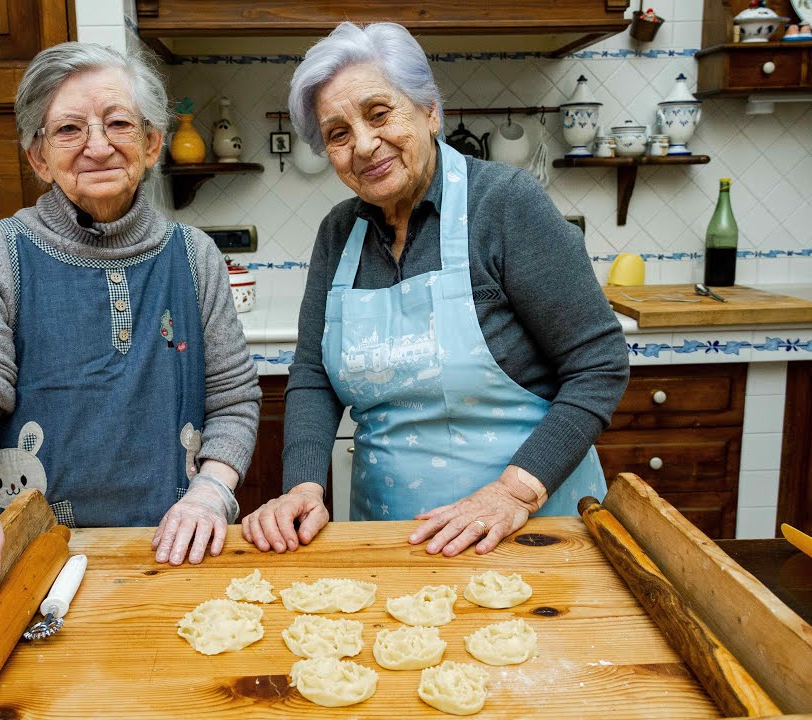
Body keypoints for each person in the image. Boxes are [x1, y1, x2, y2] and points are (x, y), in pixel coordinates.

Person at [241, 22, 628, 559]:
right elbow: (312, 376)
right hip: (394, 533)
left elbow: (599, 364)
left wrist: (513, 494)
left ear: (429, 110)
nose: (364, 145)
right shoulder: (339, 232)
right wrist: (304, 484)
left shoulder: (505, 204)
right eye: (338, 133)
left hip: (529, 526)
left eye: (379, 114)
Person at [0, 41, 261, 597]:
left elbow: (233, 400)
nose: (97, 147)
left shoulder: (195, 256)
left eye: (118, 123)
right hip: (29, 559)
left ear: (151, 145)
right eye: (69, 130)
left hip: (171, 551)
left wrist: (209, 494)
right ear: (38, 157)